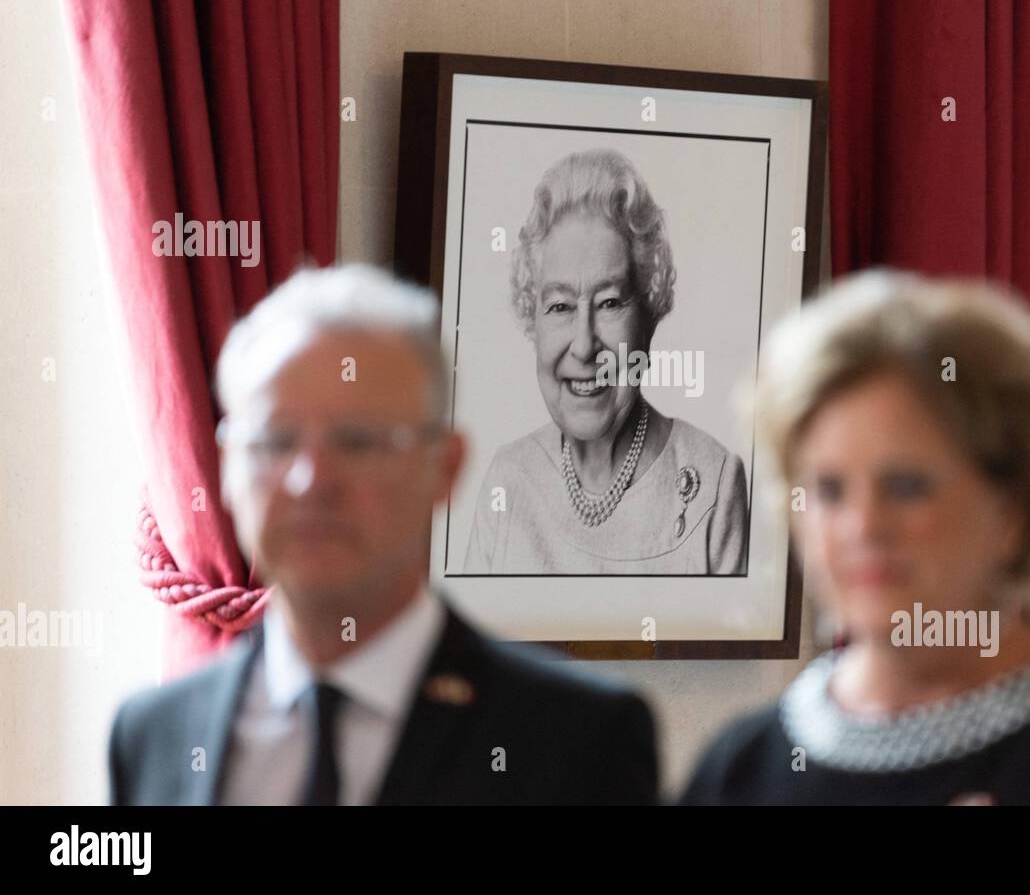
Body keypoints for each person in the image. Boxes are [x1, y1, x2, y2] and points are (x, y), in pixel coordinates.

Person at [681, 270, 1030, 805]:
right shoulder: (739, 771)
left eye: (906, 485)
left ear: (1014, 509)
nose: (861, 526)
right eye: (829, 491)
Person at [108, 265, 658, 805]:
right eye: (275, 442)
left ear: (445, 467)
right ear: (226, 467)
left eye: (358, 442)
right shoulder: (153, 737)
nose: (310, 481)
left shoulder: (579, 742)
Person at [463, 148, 749, 575]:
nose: (583, 346)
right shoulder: (508, 480)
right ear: (532, 320)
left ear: (649, 312)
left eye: (610, 302)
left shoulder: (713, 480)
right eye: (559, 307)